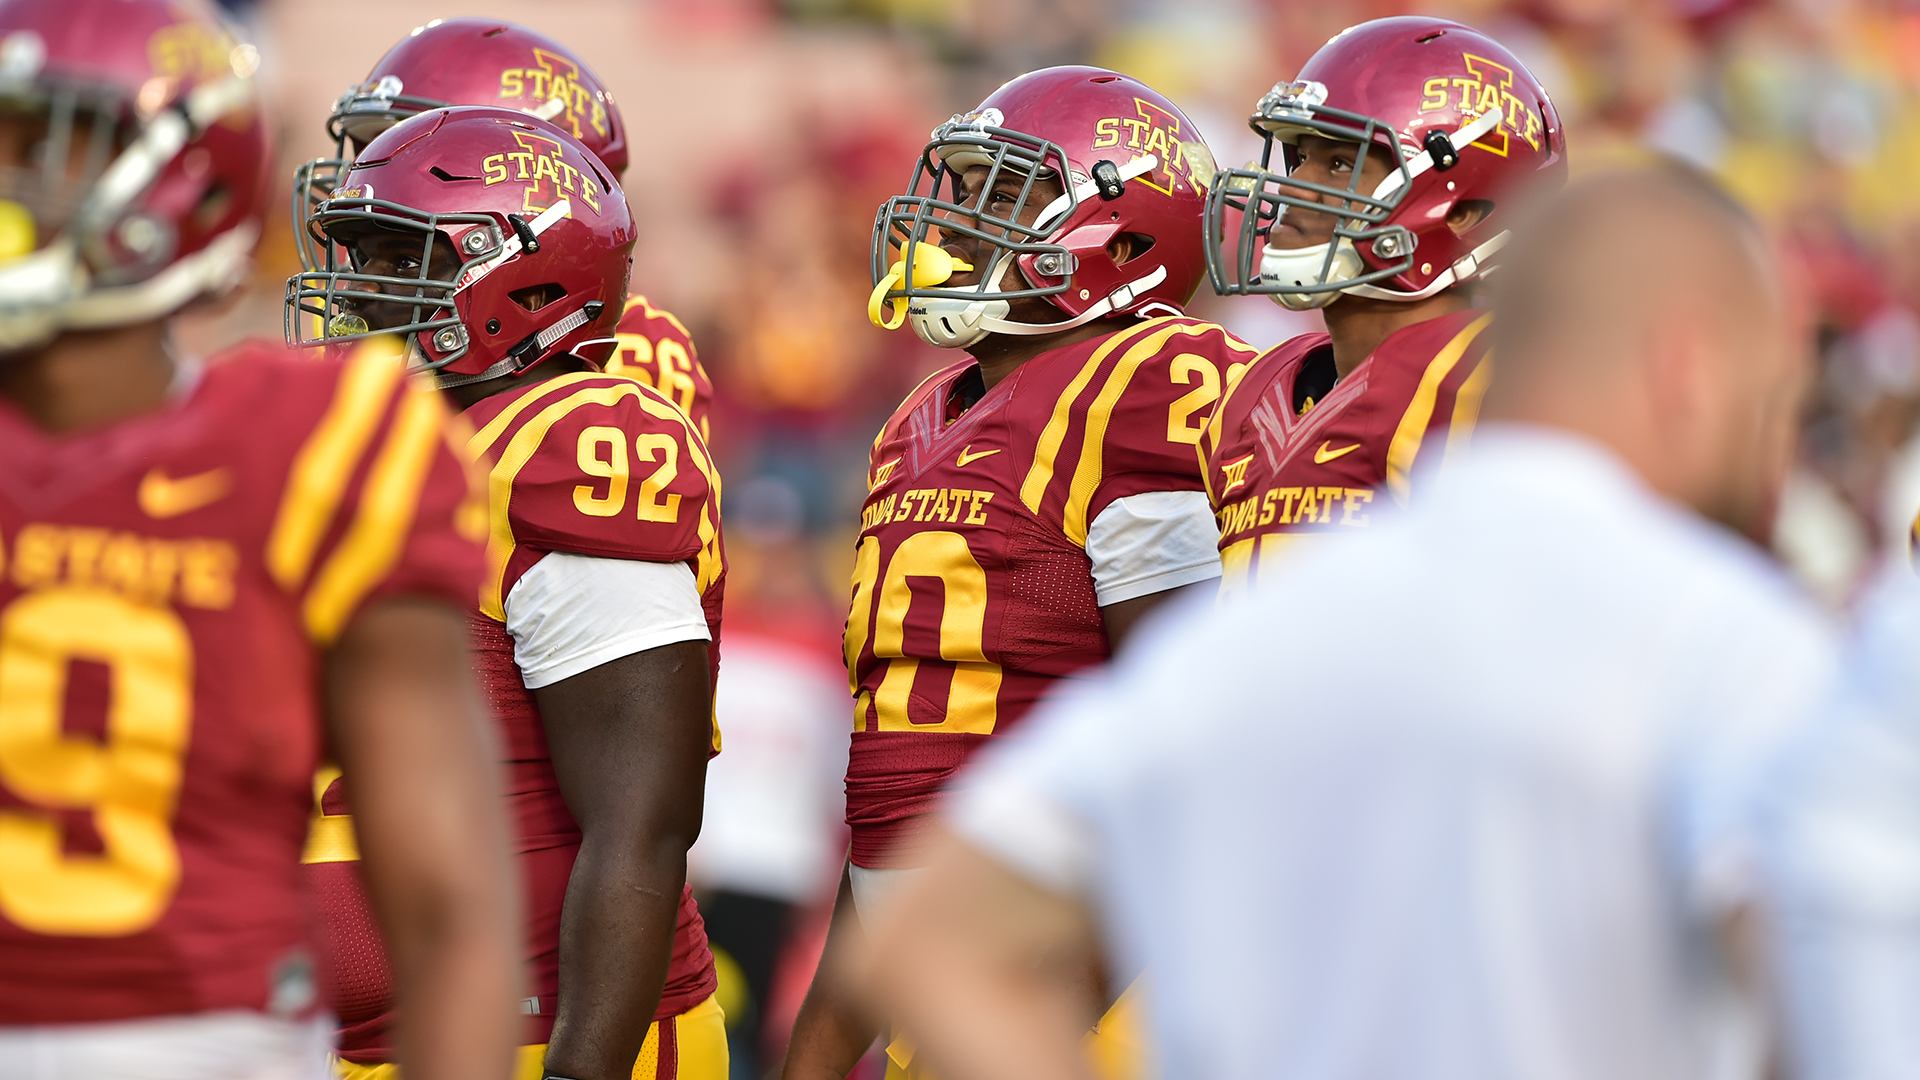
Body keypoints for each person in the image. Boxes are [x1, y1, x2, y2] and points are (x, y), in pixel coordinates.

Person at [859, 166, 1838, 1080]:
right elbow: (1834, 985)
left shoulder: (1264, 634)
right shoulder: (1717, 638)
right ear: (1689, 368)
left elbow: (926, 942)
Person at [0, 2, 522, 1079]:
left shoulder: (320, 450)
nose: (8, 182)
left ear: (176, 183)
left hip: (199, 1043)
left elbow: (452, 918)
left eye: (32, 144)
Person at [783, 67, 1259, 1080]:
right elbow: (892, 772)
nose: (956, 222)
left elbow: (1168, 753)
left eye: (1004, 195)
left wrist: (1040, 1020)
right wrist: (825, 1041)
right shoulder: (921, 414)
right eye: (964, 189)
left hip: (1064, 982)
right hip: (937, 979)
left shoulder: (1148, 384)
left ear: (1122, 240)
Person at [289, 106, 729, 1080]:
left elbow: (642, 823)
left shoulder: (570, 437)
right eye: (358, 255)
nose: (360, 291)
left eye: (396, 260)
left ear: (517, 273)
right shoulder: (398, 448)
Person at [1197, 17, 1565, 592]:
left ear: (1463, 212)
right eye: (1299, 160)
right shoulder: (1255, 389)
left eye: (1341, 164)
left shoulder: (1494, 380)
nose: (1294, 189)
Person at [291, 16, 714, 439]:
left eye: (410, 139)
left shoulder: (634, 356)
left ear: (523, 155)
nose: (366, 177)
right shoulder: (395, 315)